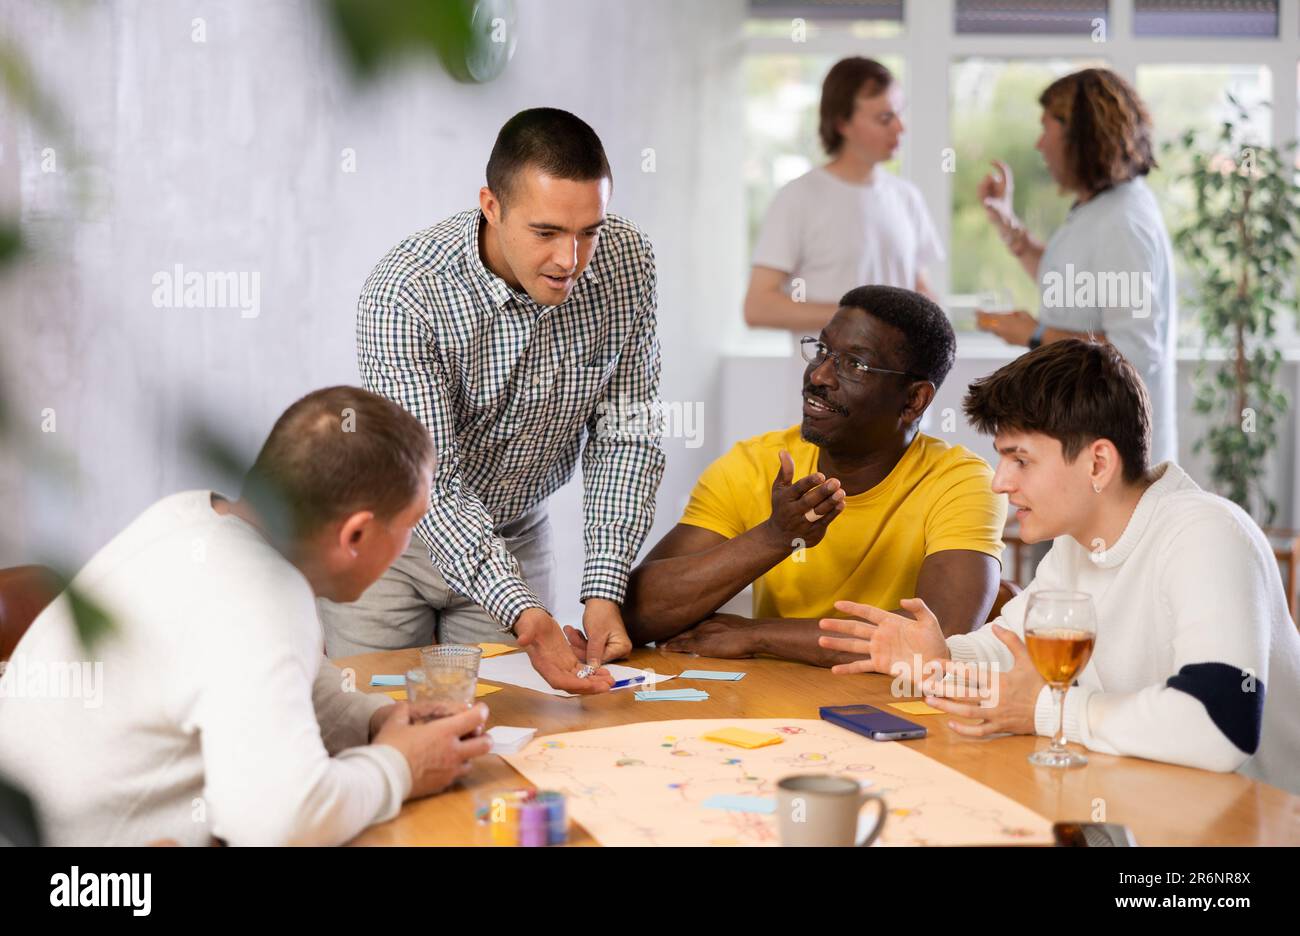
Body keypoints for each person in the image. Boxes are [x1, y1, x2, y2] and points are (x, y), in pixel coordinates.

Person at [0, 387, 494, 845]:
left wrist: (376, 720)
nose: (412, 543)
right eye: (411, 524)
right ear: (357, 535)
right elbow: (279, 823)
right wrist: (400, 768)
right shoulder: (261, 595)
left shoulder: (193, 521)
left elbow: (268, 670)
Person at [819, 340, 1300, 794]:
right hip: (1143, 805)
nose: (999, 483)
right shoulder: (1077, 545)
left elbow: (1217, 724)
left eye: (1021, 460)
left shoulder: (1207, 535)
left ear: (1097, 465)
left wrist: (1048, 711)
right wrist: (942, 659)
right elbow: (1015, 655)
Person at [319, 108, 665, 695]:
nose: (571, 261)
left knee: (511, 727)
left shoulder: (627, 262)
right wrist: (527, 615)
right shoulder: (405, 294)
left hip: (513, 534)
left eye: (589, 231)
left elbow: (626, 428)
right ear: (491, 206)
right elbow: (433, 486)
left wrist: (605, 588)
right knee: (378, 721)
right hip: (386, 541)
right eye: (547, 232)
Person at [625, 286, 1006, 665]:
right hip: (780, 700)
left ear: (913, 400)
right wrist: (775, 537)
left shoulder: (961, 482)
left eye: (855, 364)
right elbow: (637, 615)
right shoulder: (756, 463)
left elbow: (935, 641)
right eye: (822, 351)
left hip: (898, 705)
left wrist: (758, 634)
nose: (820, 375)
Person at [976, 67, 1178, 464]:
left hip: (1114, 457)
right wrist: (1008, 225)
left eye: (1046, 128)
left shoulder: (1122, 222)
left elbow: (1134, 350)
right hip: (1085, 441)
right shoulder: (1098, 207)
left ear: (1078, 136)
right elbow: (1069, 285)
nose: (1038, 144)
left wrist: (1035, 335)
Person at [743, 57, 945, 426]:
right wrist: (863, 321)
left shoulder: (907, 198)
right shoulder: (799, 197)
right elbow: (758, 306)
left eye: (900, 114)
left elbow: (922, 293)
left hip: (902, 415)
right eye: (884, 118)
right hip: (828, 411)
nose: (900, 127)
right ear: (841, 123)